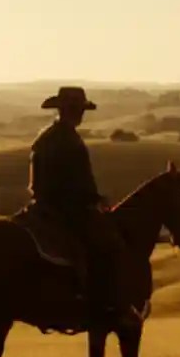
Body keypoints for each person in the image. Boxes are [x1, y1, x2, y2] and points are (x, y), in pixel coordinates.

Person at [27, 86, 140, 328]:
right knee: (108, 244)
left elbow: (37, 182)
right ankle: (106, 304)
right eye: (77, 110)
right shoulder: (70, 141)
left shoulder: (44, 138)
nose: (79, 115)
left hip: (41, 206)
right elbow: (79, 182)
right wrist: (95, 200)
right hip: (66, 209)